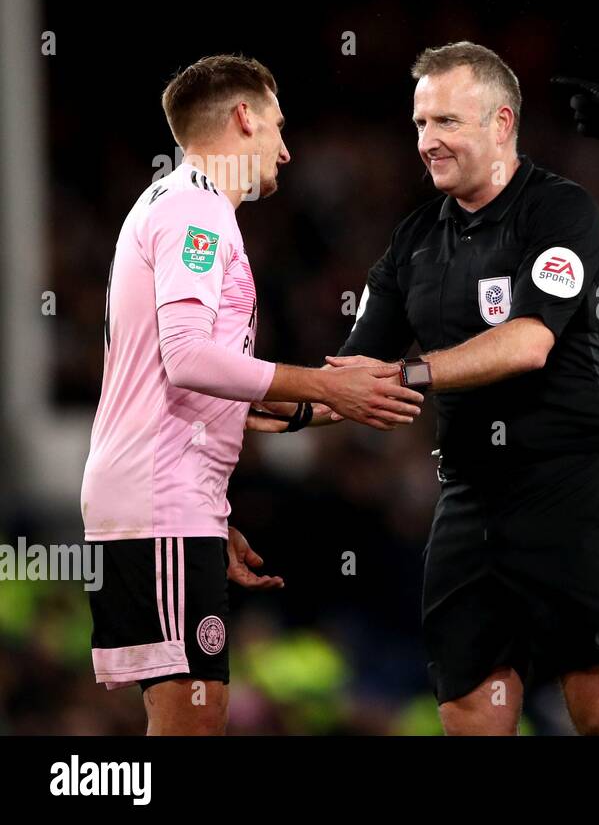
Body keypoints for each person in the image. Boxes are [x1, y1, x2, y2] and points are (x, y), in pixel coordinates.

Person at [82, 54, 424, 735]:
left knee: (187, 714)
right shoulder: (198, 208)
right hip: (161, 498)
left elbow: (171, 371)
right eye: (277, 124)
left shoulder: (166, 202)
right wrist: (328, 382)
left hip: (164, 497)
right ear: (243, 117)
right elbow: (186, 358)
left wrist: (306, 411)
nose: (287, 148)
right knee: (194, 718)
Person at [327, 42, 599, 736]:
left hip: (573, 477)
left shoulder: (563, 213)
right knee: (469, 702)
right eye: (419, 125)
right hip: (470, 490)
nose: (427, 142)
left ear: (502, 123)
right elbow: (352, 373)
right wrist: (259, 400)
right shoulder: (412, 242)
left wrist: (413, 373)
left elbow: (530, 341)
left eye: (445, 122)